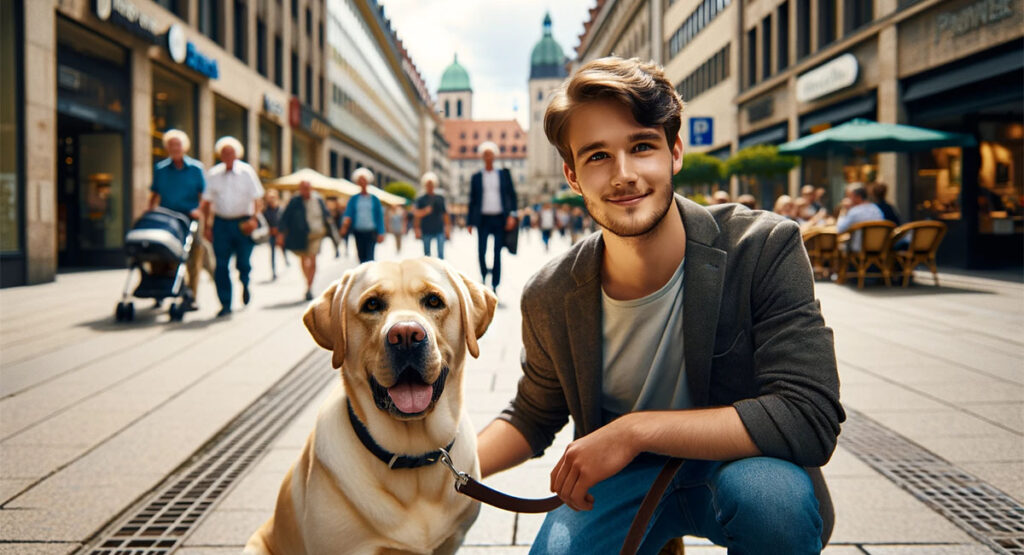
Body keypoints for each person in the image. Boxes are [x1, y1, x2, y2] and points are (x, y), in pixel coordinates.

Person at [476, 57, 843, 554]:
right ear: (573, 175)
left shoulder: (761, 247)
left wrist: (634, 431)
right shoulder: (550, 293)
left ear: (675, 153)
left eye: (642, 146)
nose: (624, 174)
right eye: (598, 156)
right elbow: (533, 414)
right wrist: (436, 463)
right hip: (620, 481)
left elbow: (807, 414)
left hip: (741, 465)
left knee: (771, 503)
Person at [201, 136, 265, 317]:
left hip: (243, 222)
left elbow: (257, 199)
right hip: (221, 224)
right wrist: (207, 227)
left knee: (243, 262)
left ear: (237, 154)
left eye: (231, 153)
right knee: (220, 265)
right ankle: (225, 303)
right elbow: (206, 203)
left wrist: (254, 219)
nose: (228, 156)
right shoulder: (213, 174)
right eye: (224, 153)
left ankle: (244, 282)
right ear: (220, 155)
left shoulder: (246, 172)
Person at [148, 129, 206, 310]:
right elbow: (154, 194)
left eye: (178, 144)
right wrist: (149, 212)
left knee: (193, 256)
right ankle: (159, 292)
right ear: (167, 148)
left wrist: (199, 210)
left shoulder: (196, 168)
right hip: (166, 219)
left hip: (189, 218)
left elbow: (204, 195)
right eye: (171, 145)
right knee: (160, 254)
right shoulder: (161, 169)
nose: (175, 148)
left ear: (184, 147)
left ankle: (192, 296)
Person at [467, 141, 517, 292]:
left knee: (497, 252)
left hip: (499, 218)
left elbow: (512, 196)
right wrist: (469, 222)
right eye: (485, 154)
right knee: (481, 250)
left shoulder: (503, 174)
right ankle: (483, 275)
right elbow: (472, 199)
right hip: (482, 219)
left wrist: (512, 215)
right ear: (482, 157)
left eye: (491, 154)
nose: (488, 157)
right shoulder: (476, 176)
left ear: (494, 156)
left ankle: (495, 283)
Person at [279, 180, 333, 301]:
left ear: (311, 189)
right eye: (303, 189)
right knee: (304, 259)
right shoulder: (295, 201)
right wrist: (281, 234)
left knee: (312, 259)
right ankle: (307, 281)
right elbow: (285, 217)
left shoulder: (318, 199)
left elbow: (326, 214)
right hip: (301, 234)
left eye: (307, 188)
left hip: (317, 233)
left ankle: (309, 287)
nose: (305, 191)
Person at [339, 167, 385, 263]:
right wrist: (344, 225)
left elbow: (379, 216)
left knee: (370, 256)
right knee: (361, 255)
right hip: (358, 231)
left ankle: (370, 276)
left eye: (364, 180)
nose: (362, 182)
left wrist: (381, 232)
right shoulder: (354, 199)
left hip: (371, 231)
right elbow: (348, 213)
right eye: (360, 181)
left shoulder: (374, 199)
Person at [836, 182, 885, 252]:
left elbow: (839, 229)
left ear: (858, 197)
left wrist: (844, 210)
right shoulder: (876, 209)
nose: (847, 199)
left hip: (858, 250)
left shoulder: (854, 211)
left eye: (849, 196)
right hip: (878, 249)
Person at [413, 171, 451, 259]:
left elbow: (445, 214)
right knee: (427, 255)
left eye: (431, 184)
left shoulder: (440, 198)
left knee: (441, 254)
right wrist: (417, 229)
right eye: (428, 184)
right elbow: (416, 214)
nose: (430, 186)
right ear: (425, 185)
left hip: (439, 229)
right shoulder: (421, 199)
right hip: (426, 229)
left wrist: (448, 229)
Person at [262, 189, 289, 280]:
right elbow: (263, 223)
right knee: (272, 253)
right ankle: (273, 271)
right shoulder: (266, 210)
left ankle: (286, 260)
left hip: (280, 233)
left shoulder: (281, 209)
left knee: (283, 248)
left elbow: (284, 221)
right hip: (272, 234)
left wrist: (281, 231)